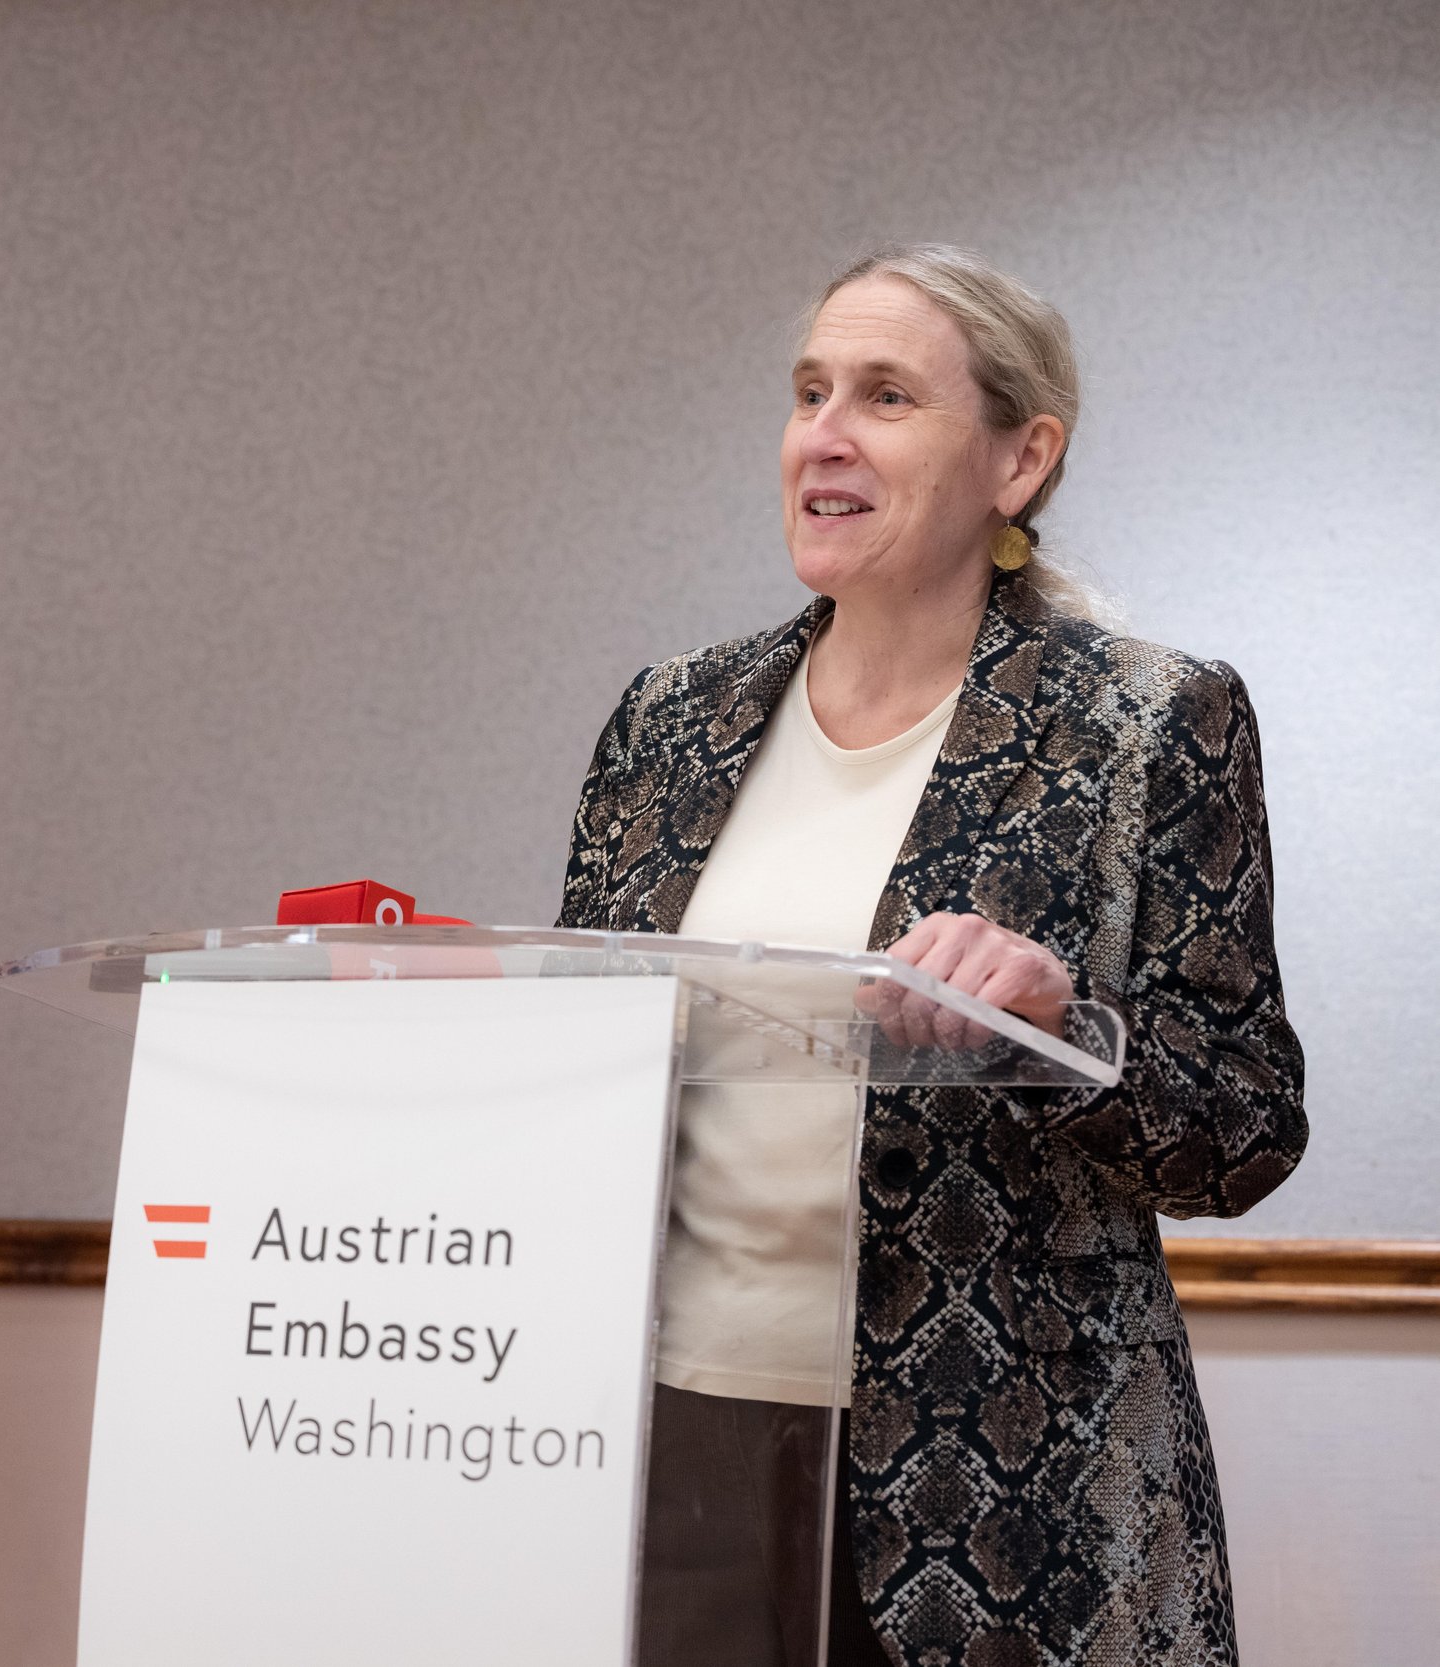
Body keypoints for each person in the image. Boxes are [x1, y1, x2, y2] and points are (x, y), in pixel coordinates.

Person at [555, 244, 1307, 1667]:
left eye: (887, 396)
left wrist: (1066, 1023)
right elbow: (594, 1056)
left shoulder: (1149, 726)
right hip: (675, 1432)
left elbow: (1249, 1123)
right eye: (809, 392)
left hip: (1012, 1477)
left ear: (1020, 460)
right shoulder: (667, 722)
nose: (824, 436)